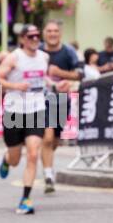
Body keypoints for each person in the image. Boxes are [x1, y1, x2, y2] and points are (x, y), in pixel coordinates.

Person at [0, 24, 50, 214]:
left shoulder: (44, 57)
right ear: (22, 39)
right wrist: (15, 85)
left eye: (37, 36)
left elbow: (43, 80)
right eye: (31, 36)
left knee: (33, 154)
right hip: (14, 111)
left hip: (36, 110)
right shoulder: (14, 58)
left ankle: (25, 199)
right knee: (14, 159)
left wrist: (55, 84)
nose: (35, 39)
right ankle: (6, 159)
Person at [38, 20, 80, 194]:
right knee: (47, 138)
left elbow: (79, 74)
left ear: (60, 33)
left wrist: (60, 74)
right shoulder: (37, 51)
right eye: (49, 31)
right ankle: (48, 175)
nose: (52, 34)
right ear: (44, 33)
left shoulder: (69, 52)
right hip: (39, 100)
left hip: (61, 101)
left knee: (54, 141)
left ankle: (48, 163)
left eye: (55, 31)